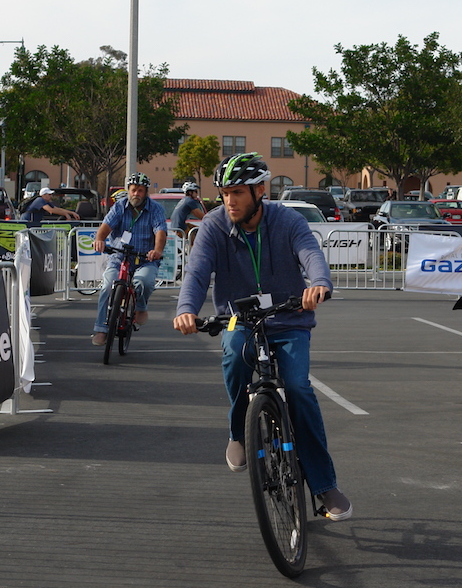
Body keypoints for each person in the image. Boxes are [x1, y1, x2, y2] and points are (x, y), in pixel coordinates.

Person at [173, 153, 351, 521]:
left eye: (237, 192)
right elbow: (196, 271)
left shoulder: (287, 220)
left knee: (300, 389)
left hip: (289, 321)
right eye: (224, 194)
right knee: (235, 356)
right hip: (240, 319)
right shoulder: (213, 226)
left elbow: (311, 254)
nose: (229, 201)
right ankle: (239, 432)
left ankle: (323, 485)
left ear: (260, 190)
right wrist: (185, 309)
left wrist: (319, 283)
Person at [91, 173, 167, 346]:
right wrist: (100, 239)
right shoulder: (119, 206)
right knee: (107, 286)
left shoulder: (155, 209)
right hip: (118, 257)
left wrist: (157, 250)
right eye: (133, 190)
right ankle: (101, 329)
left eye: (140, 191)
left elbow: (160, 232)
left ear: (146, 192)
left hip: (144, 259)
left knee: (144, 281)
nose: (136, 194)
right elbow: (106, 226)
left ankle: (140, 307)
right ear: (128, 190)